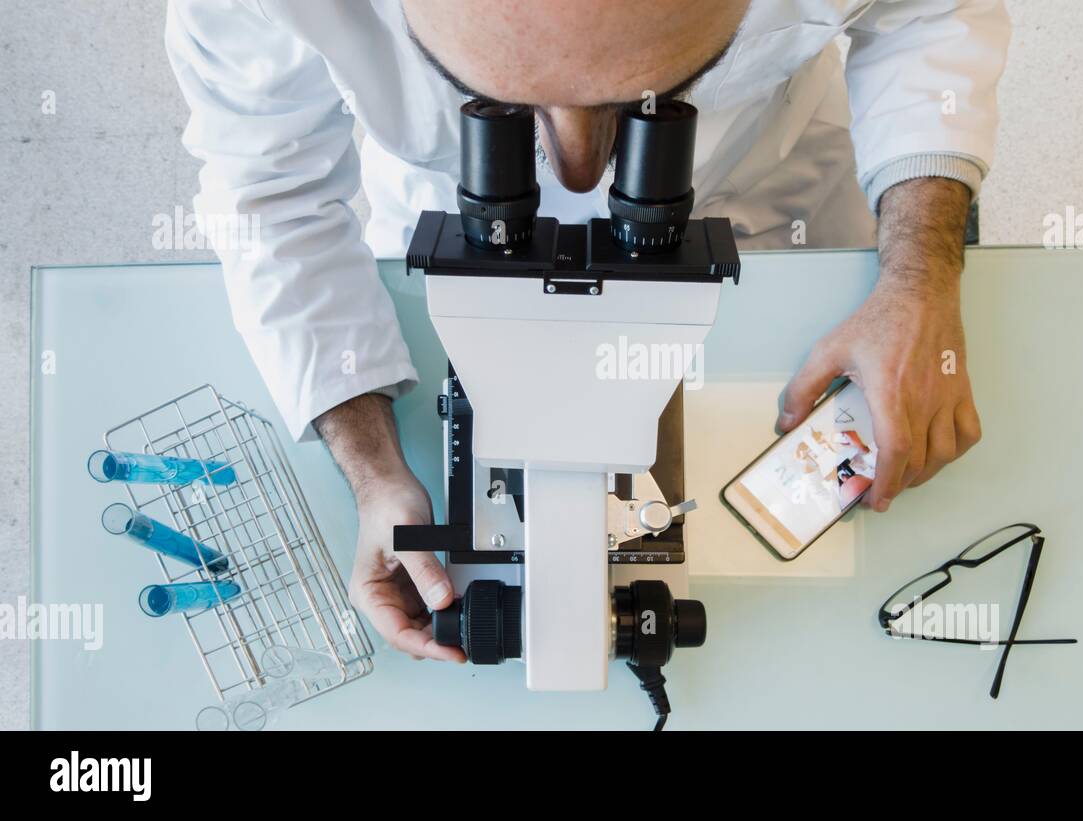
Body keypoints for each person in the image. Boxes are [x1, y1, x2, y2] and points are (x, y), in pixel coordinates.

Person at [166, 0, 1008, 661]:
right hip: (451, 227)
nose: (578, 168)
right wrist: (375, 470)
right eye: (498, 100)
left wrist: (918, 281)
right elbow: (268, 189)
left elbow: (931, 14)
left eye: (648, 100)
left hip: (765, 203)